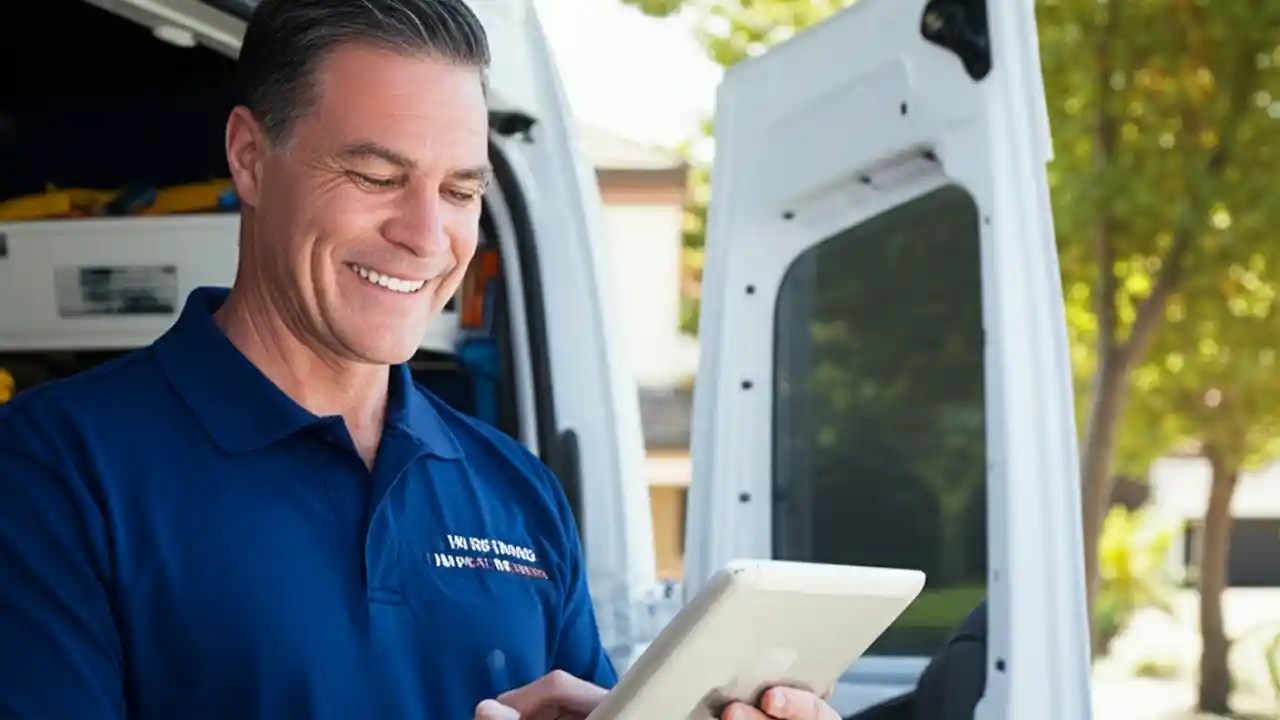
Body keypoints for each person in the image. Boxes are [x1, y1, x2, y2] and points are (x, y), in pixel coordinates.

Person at [0, 1, 843, 719]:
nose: (427, 237)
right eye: (375, 175)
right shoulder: (53, 470)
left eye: (461, 191)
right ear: (251, 159)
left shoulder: (517, 490)